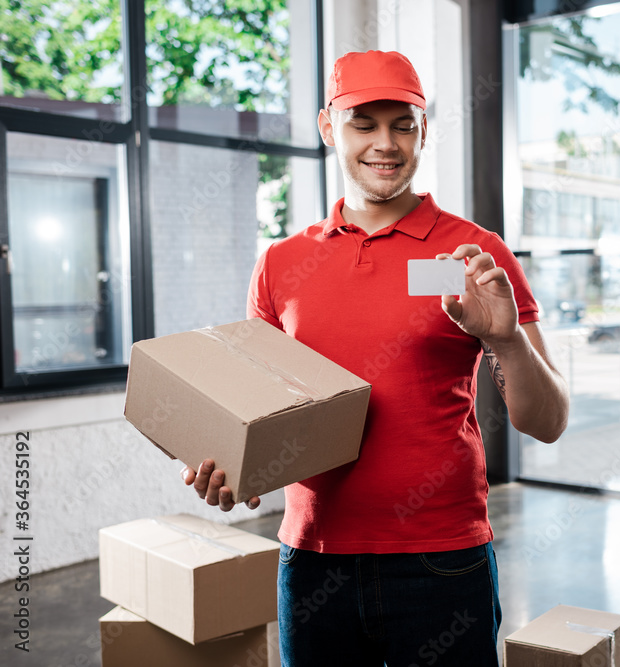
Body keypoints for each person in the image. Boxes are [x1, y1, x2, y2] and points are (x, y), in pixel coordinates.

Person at [180, 50, 569, 666]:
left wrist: (506, 339)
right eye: (364, 123)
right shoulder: (282, 263)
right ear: (328, 127)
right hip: (312, 560)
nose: (385, 144)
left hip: (442, 562)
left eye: (403, 124)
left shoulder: (472, 254)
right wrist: (232, 469)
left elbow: (547, 422)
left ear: (421, 131)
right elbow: (260, 413)